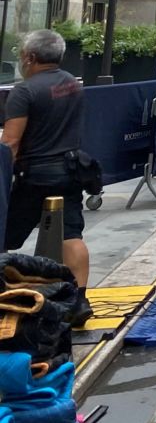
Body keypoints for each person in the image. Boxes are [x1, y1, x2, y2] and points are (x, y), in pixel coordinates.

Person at [2, 30, 90, 286]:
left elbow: (11, 141)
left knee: (4, 234)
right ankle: (80, 300)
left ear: (30, 57)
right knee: (71, 236)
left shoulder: (25, 90)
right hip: (70, 170)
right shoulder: (72, 83)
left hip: (35, 176)